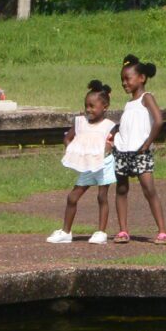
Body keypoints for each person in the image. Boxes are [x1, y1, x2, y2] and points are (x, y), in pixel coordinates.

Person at [48, 80, 117, 244]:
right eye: (86, 105)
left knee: (102, 196)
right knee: (72, 197)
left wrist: (109, 147)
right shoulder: (80, 122)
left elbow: (113, 143)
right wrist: (75, 151)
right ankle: (66, 232)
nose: (88, 109)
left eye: (92, 106)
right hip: (87, 166)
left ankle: (101, 232)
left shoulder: (109, 126)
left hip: (103, 164)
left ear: (105, 107)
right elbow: (67, 138)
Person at [111, 58, 166, 244]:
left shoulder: (146, 98)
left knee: (149, 189)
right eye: (122, 79)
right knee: (121, 189)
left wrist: (147, 144)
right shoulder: (129, 103)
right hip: (123, 152)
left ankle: (162, 232)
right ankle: (123, 230)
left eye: (127, 78)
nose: (124, 83)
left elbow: (159, 121)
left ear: (142, 78)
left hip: (140, 153)